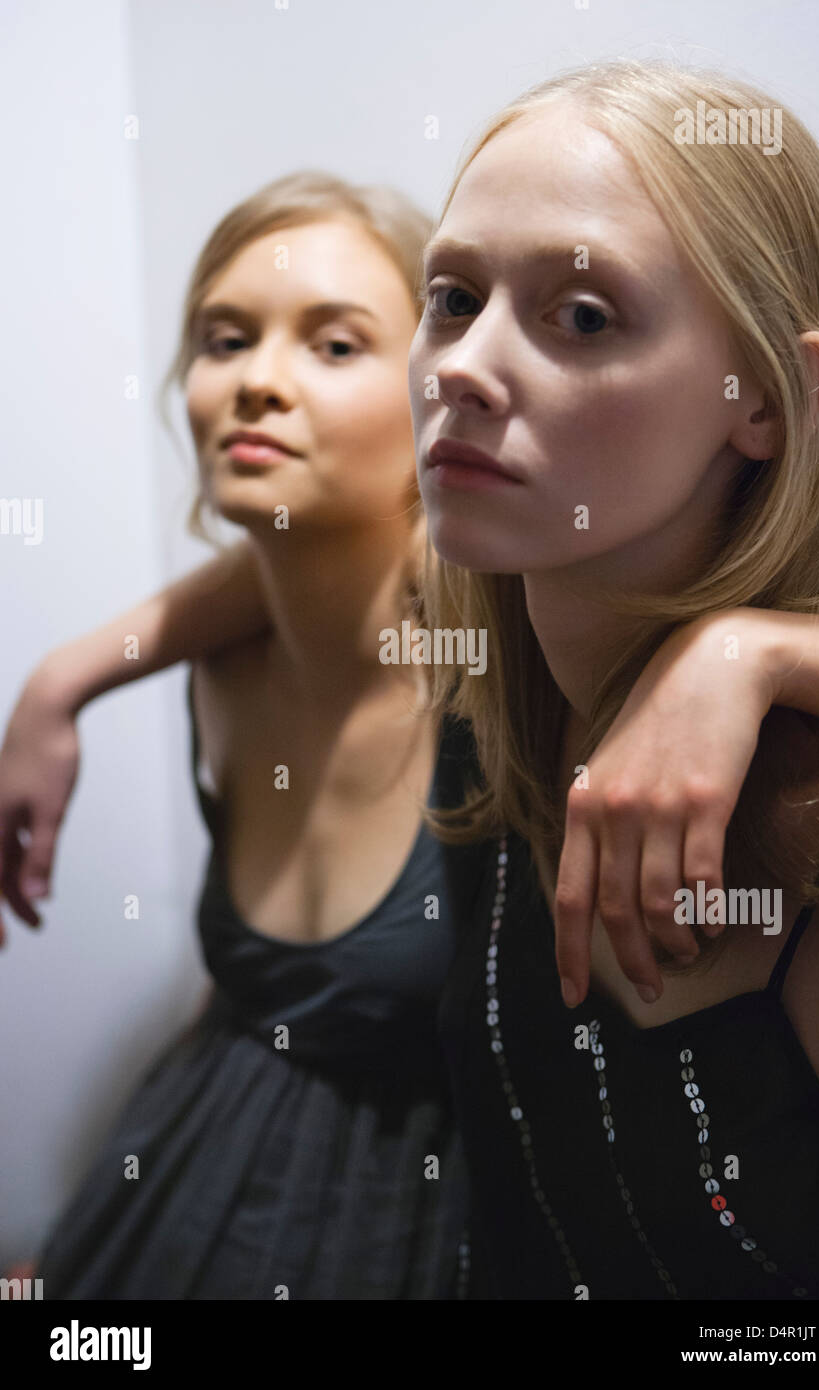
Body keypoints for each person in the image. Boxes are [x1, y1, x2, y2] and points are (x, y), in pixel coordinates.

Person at [412, 60, 819, 1298]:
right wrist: (61, 686)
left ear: (768, 397)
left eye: (584, 316)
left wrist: (753, 650)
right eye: (450, 297)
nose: (460, 367)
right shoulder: (480, 679)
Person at [2, 169, 484, 1300]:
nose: (257, 382)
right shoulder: (221, 669)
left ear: (434, 391)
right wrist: (55, 684)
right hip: (187, 1176)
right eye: (226, 339)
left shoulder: (499, 651)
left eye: (333, 345)